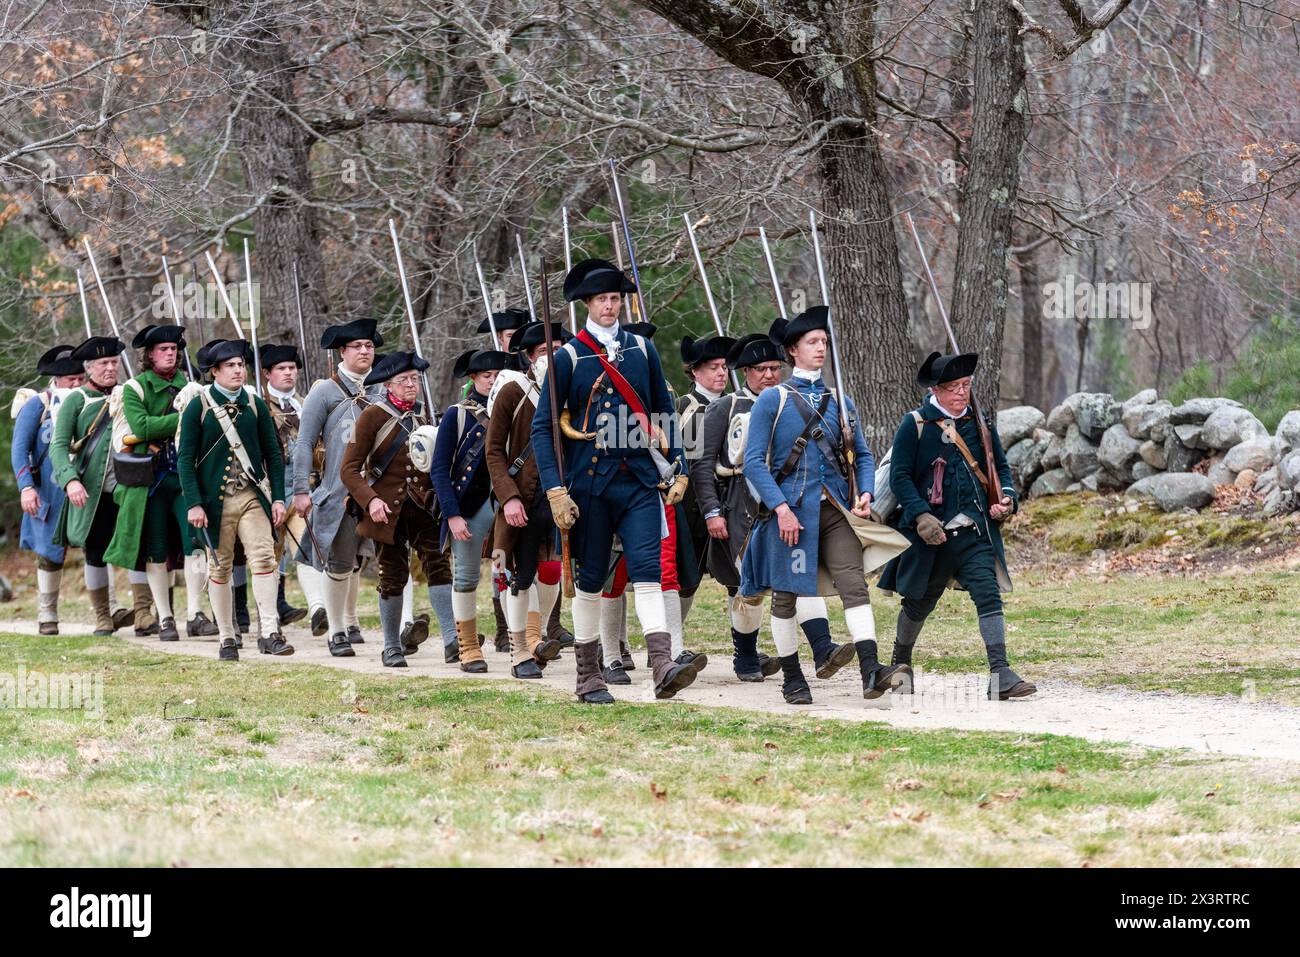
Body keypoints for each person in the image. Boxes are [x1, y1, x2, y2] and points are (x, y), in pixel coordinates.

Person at [532, 258, 696, 703]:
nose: (611, 306)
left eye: (616, 299)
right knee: (590, 581)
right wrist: (555, 488)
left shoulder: (641, 350)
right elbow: (543, 429)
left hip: (640, 479)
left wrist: (677, 463)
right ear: (586, 303)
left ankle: (662, 665)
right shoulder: (568, 357)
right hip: (589, 486)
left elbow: (663, 409)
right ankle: (588, 676)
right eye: (603, 299)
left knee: (648, 574)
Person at [740, 307, 910, 705]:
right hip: (791, 516)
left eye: (824, 342)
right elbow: (752, 463)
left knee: (855, 588)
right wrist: (781, 508)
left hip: (835, 511)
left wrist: (865, 491)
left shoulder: (841, 401)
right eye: (812, 342)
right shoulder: (773, 400)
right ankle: (793, 678)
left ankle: (871, 671)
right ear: (793, 351)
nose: (821, 348)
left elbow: (863, 454)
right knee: (786, 598)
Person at [877, 351, 1037, 700]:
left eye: (965, 385)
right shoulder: (916, 424)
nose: (961, 393)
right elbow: (900, 477)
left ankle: (1001, 674)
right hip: (929, 536)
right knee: (919, 603)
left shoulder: (981, 424)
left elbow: (1001, 470)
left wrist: (1006, 498)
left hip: (974, 531)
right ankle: (900, 662)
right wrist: (920, 515)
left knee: (988, 595)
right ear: (936, 390)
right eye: (953, 387)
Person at [691, 332, 849, 682]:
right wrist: (712, 512)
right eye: (760, 369)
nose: (769, 375)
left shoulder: (790, 400)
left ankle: (822, 647)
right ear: (745, 371)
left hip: (789, 503)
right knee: (749, 587)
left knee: (798, 572)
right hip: (738, 507)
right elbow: (703, 465)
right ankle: (745, 655)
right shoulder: (725, 407)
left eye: (774, 367)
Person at [102, 325, 217, 642]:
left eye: (173, 349)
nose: (170, 353)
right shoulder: (135, 389)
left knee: (194, 542)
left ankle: (195, 613)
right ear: (149, 355)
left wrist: (168, 424)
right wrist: (182, 418)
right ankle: (165, 618)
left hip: (184, 479)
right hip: (149, 482)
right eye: (163, 349)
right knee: (155, 549)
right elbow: (141, 426)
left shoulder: (193, 386)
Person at [340, 350, 454, 667]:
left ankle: (451, 640)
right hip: (385, 510)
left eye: (413, 379)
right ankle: (391, 645)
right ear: (389, 384)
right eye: (403, 380)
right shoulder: (372, 416)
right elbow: (348, 470)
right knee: (392, 575)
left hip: (423, 508)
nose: (410, 385)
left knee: (440, 567)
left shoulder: (423, 416)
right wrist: (371, 500)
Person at [178, 339, 290, 660]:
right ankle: (227, 636)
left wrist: (278, 498)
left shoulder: (254, 403)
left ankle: (269, 631)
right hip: (215, 502)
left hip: (252, 495)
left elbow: (273, 454)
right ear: (214, 372)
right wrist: (194, 503)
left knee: (264, 558)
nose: (238, 370)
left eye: (241, 364)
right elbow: (185, 459)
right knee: (220, 565)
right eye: (230, 366)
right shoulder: (198, 406)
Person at [293, 319, 383, 657]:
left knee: (374, 561)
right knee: (341, 562)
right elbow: (304, 443)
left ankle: (373, 625)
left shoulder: (381, 390)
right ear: (342, 352)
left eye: (369, 346)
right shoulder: (324, 391)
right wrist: (301, 490)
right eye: (357, 346)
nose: (364, 351)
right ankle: (337, 630)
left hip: (378, 492)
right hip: (340, 492)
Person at [483, 321, 568, 678]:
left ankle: (540, 634)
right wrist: (510, 498)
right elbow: (493, 453)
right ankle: (519, 649)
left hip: (558, 498)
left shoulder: (571, 391)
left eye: (560, 350)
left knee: (551, 572)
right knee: (517, 576)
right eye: (547, 352)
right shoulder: (512, 392)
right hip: (521, 499)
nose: (555, 357)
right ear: (530, 358)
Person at [430, 347, 511, 672]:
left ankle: (518, 641)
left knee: (507, 574)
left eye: (496, 376)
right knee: (465, 577)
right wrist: (452, 514)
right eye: (486, 376)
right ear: (474, 378)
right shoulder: (457, 414)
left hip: (505, 505)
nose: (492, 381)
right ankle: (468, 647)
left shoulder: (512, 411)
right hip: (469, 508)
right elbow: (439, 469)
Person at [49, 338, 129, 636]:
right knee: (95, 552)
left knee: (138, 547)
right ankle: (103, 617)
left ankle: (146, 614)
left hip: (128, 487)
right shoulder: (76, 399)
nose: (110, 368)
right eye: (103, 364)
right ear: (89, 369)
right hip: (93, 493)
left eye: (113, 362)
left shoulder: (128, 393)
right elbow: (58, 447)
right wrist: (70, 480)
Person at [12, 345, 86, 634]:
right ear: (57, 379)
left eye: (80, 378)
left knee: (95, 548)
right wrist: (26, 488)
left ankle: (109, 612)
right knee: (49, 553)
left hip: (83, 488)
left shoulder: (90, 401)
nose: (76, 383)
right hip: (48, 492)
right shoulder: (37, 406)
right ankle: (47, 615)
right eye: (71, 379)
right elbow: (20, 451)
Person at [259, 343, 321, 633]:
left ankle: (318, 607)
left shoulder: (305, 403)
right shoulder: (258, 405)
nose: (288, 373)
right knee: (272, 553)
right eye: (281, 369)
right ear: (267, 373)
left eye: (292, 368)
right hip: (270, 488)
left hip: (302, 487)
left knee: (305, 543)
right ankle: (271, 611)